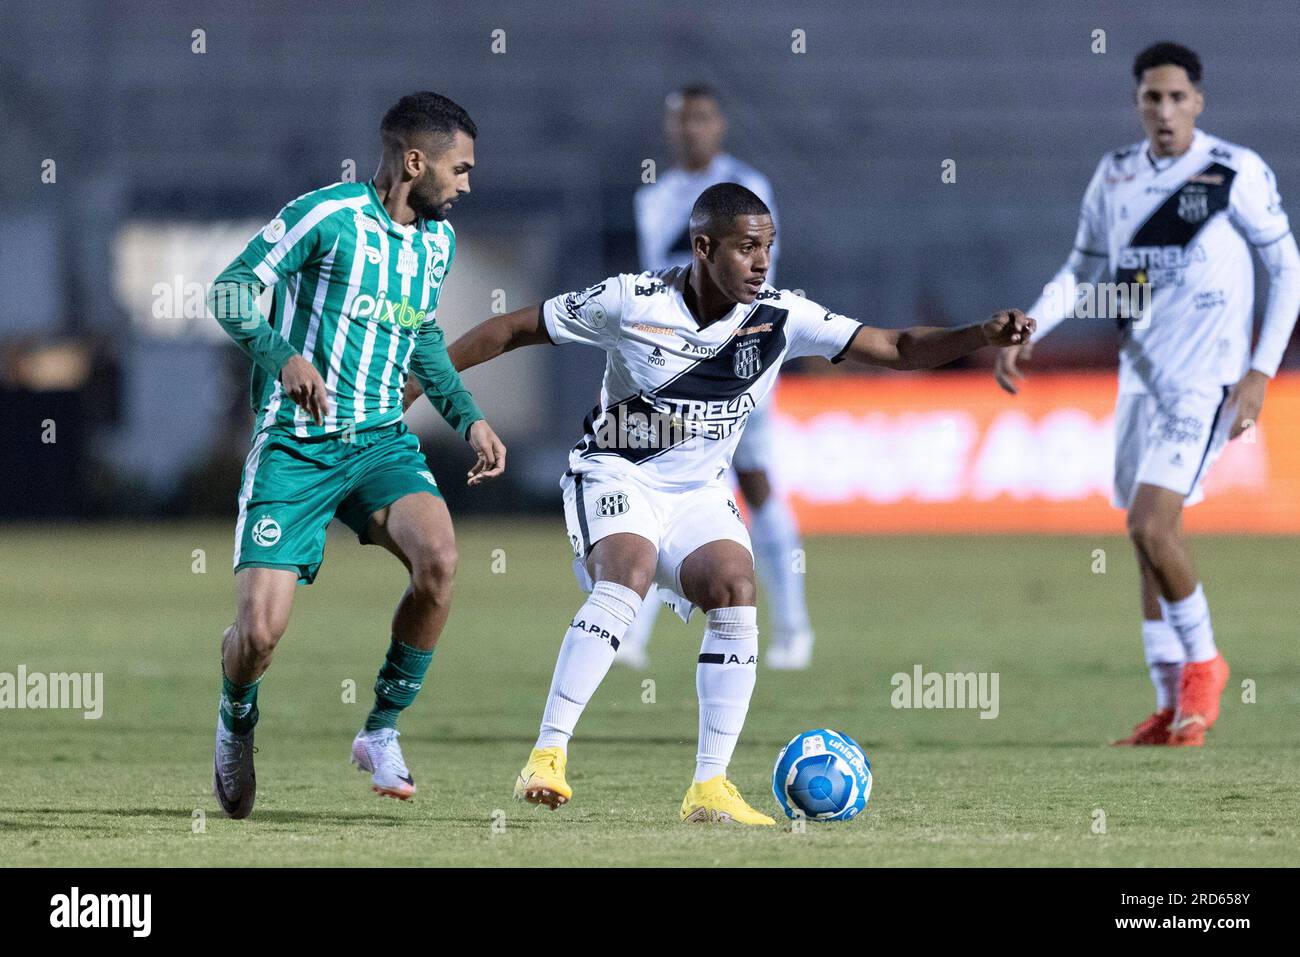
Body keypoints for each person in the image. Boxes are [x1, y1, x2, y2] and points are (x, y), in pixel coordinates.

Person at [447, 183, 1033, 824]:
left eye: (769, 248)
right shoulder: (629, 301)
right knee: (630, 574)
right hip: (614, 473)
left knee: (734, 587)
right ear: (703, 247)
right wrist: (421, 385)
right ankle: (548, 754)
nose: (762, 262)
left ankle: (709, 788)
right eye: (748, 247)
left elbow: (895, 348)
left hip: (697, 491)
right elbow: (511, 328)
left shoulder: (783, 317)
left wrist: (980, 332)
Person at [206, 92, 506, 818]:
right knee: (259, 635)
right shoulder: (327, 215)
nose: (466, 185)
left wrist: (468, 417)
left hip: (378, 441)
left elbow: (422, 335)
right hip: (296, 449)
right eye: (459, 169)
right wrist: (283, 358)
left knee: (440, 560)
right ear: (415, 161)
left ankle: (380, 728)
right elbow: (232, 290)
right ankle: (236, 718)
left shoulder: (437, 242)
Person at [994, 43, 1300, 747]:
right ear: (1137, 104)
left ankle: (1205, 665)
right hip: (1141, 375)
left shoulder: (1233, 172)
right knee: (1145, 542)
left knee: (1151, 525)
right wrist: (1033, 321)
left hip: (1207, 380)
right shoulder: (1117, 173)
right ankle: (1171, 708)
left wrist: (1261, 369)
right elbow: (1084, 268)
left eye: (1177, 98)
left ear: (1198, 102)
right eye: (1151, 99)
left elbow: (1285, 268)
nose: (1164, 110)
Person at [628, 84, 814, 670]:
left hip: (741, 357)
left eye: (702, 118)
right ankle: (630, 633)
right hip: (673, 365)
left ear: (720, 125)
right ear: (669, 129)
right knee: (657, 483)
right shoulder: (653, 198)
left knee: (755, 484)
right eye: (681, 120)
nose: (691, 130)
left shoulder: (750, 189)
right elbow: (657, 285)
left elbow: (757, 278)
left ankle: (794, 628)